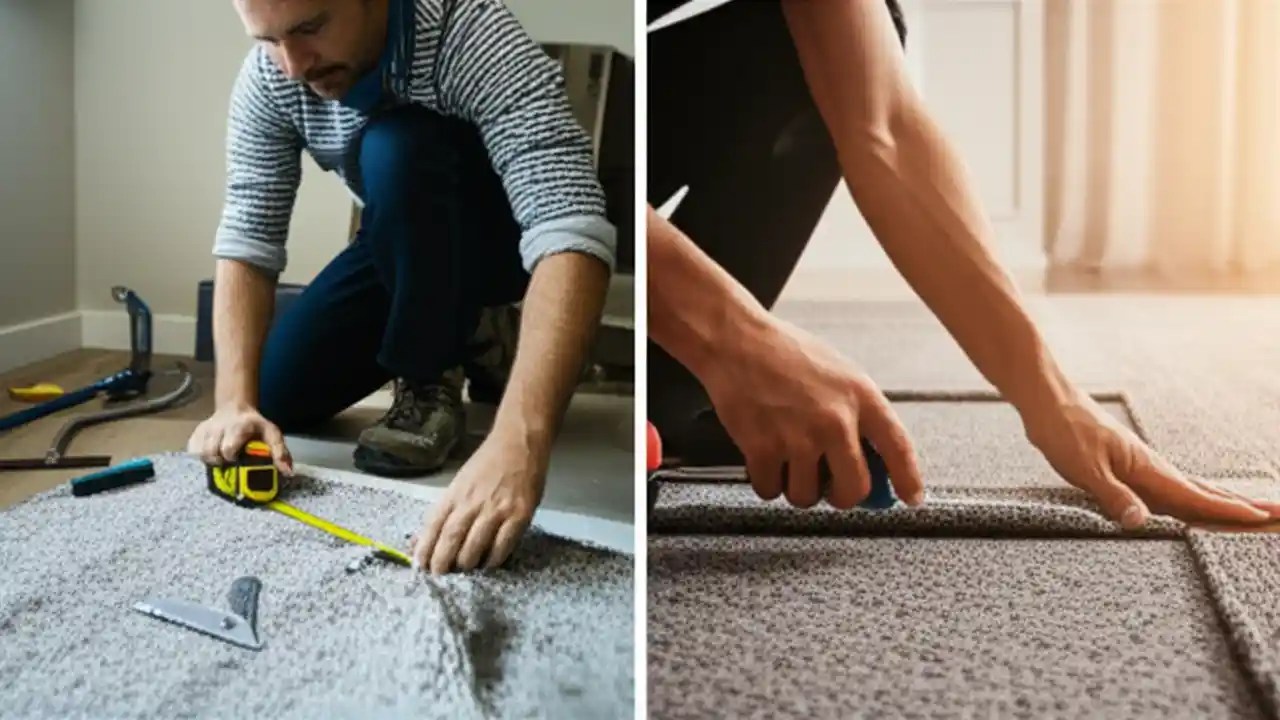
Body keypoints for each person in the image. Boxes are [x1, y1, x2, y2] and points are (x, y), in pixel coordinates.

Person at [646, 0, 1280, 526]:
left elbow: (883, 123)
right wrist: (734, 337)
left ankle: (661, 388)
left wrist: (1051, 397)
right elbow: (545, 155)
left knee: (827, 53)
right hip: (556, 164)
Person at [187, 0, 615, 574]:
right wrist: (233, 403)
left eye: (311, 28)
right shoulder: (273, 76)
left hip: (503, 243)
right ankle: (479, 334)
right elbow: (248, 235)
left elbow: (571, 225)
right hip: (402, 239)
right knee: (275, 393)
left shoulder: (472, 32)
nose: (292, 65)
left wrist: (520, 441)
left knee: (397, 144)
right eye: (268, 40)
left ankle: (430, 370)